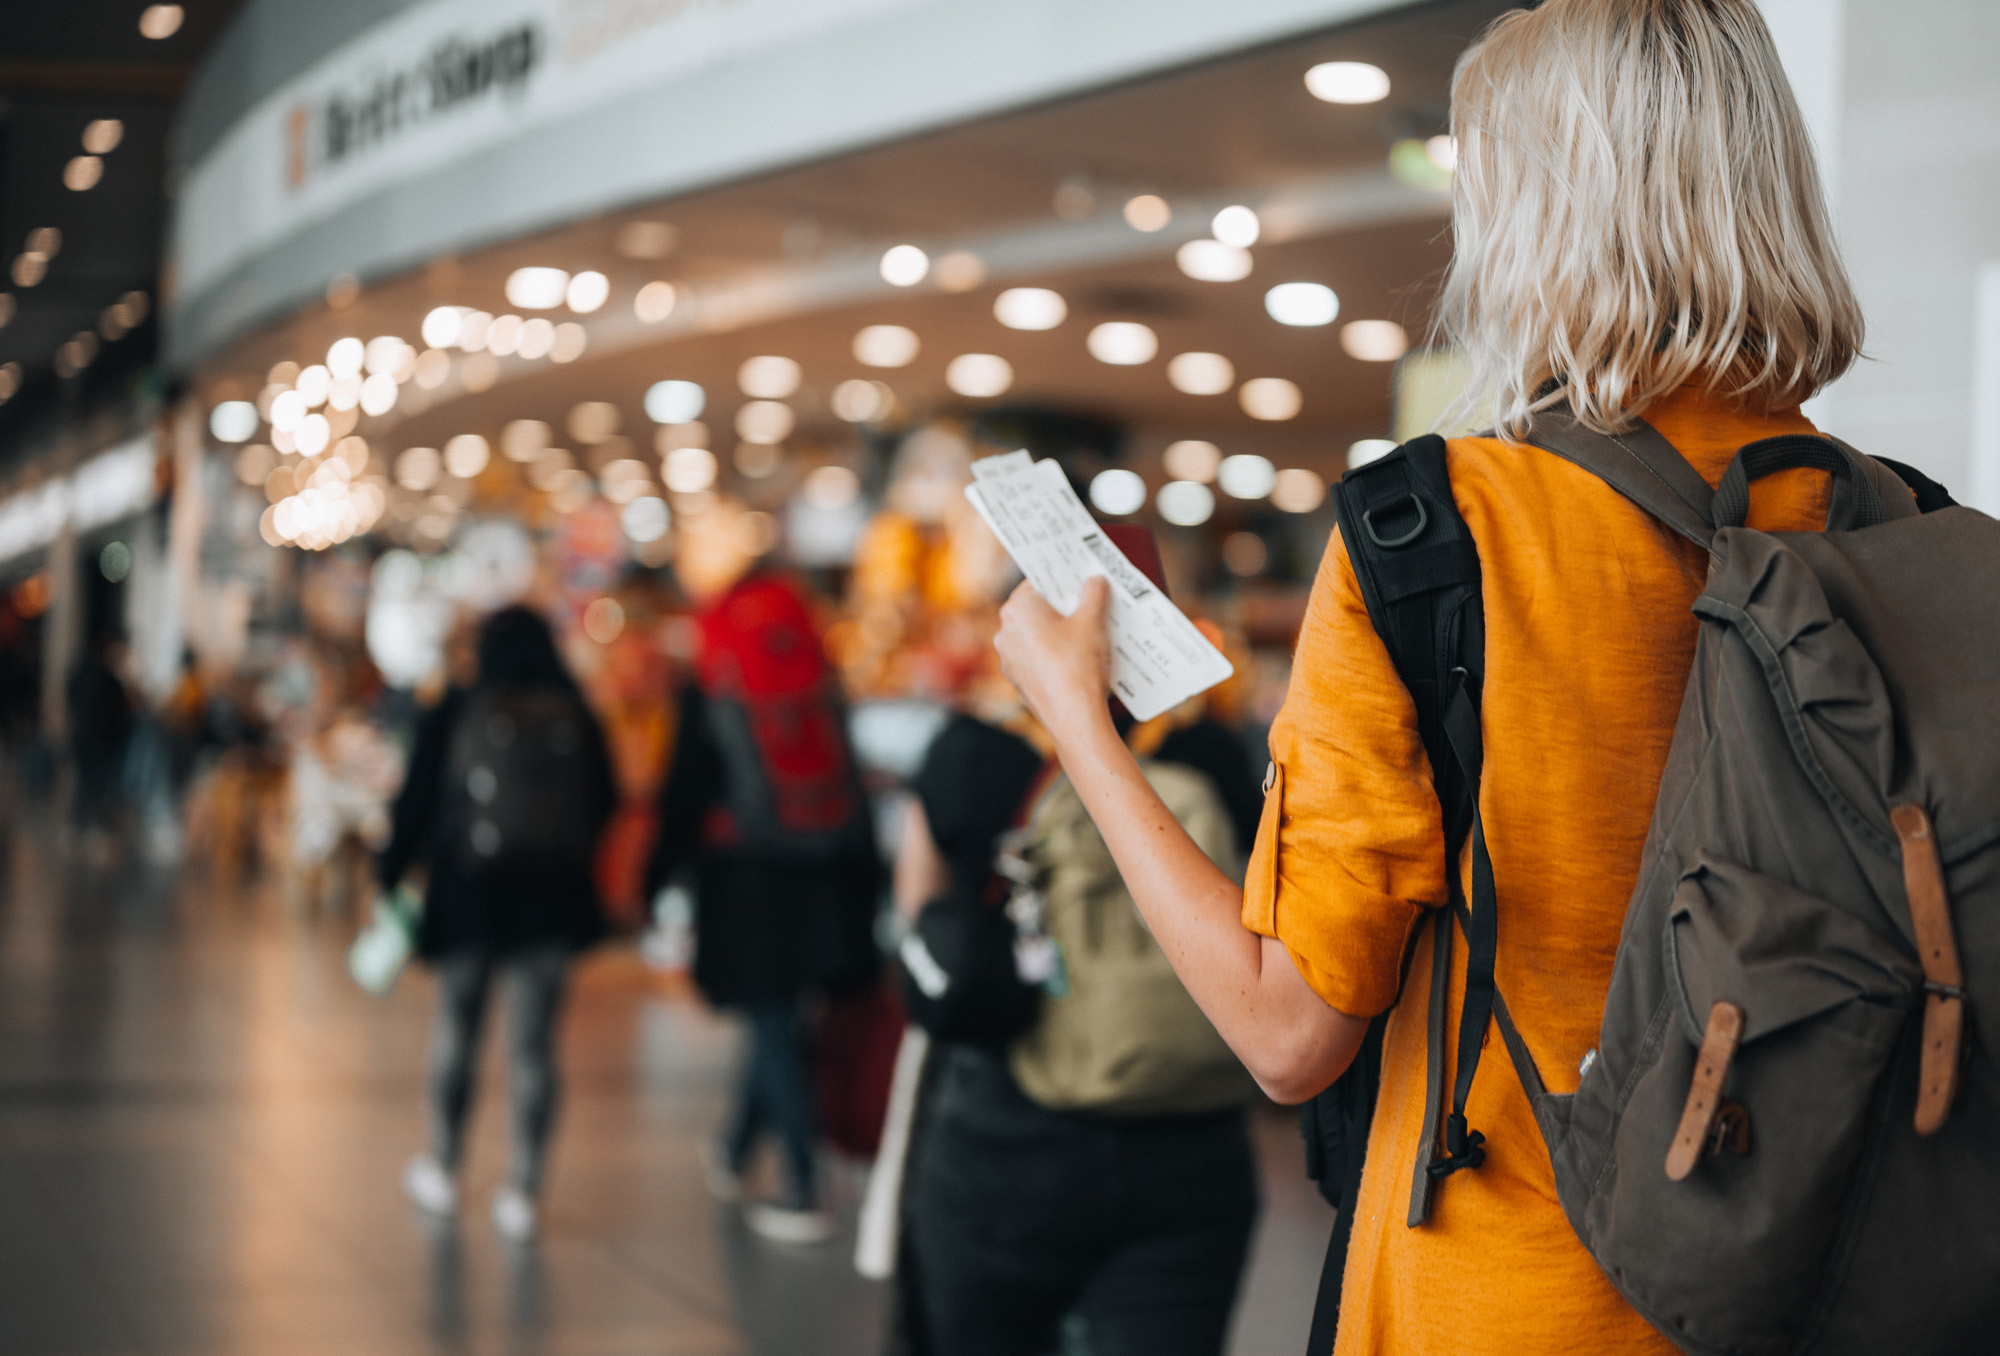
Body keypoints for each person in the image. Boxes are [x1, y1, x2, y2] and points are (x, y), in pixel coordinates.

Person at [989, 2, 1882, 1351]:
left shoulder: (1436, 534)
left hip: (1509, 1294)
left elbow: (1287, 1034)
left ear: (1532, 211)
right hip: (1831, 1287)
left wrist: (1079, 724)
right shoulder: (1897, 531)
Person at [893, 695, 1260, 1356]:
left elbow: (925, 912)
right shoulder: (1214, 753)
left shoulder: (974, 749)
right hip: (1194, 1147)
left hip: (1006, 1140)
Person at [645, 498, 881, 1245]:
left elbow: (687, 776)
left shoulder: (714, 647)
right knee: (777, 1011)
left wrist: (656, 873)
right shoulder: (806, 631)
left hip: (746, 865)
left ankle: (805, 1184)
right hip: (821, 855)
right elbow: (844, 746)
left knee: (771, 1014)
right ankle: (737, 1145)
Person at [379, 605, 616, 1242]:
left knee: (458, 1027)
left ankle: (444, 1167)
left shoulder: (460, 706)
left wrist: (392, 874)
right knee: (534, 1046)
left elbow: (415, 800)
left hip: (469, 896)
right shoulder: (577, 711)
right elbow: (608, 799)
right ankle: (524, 1191)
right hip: (552, 903)